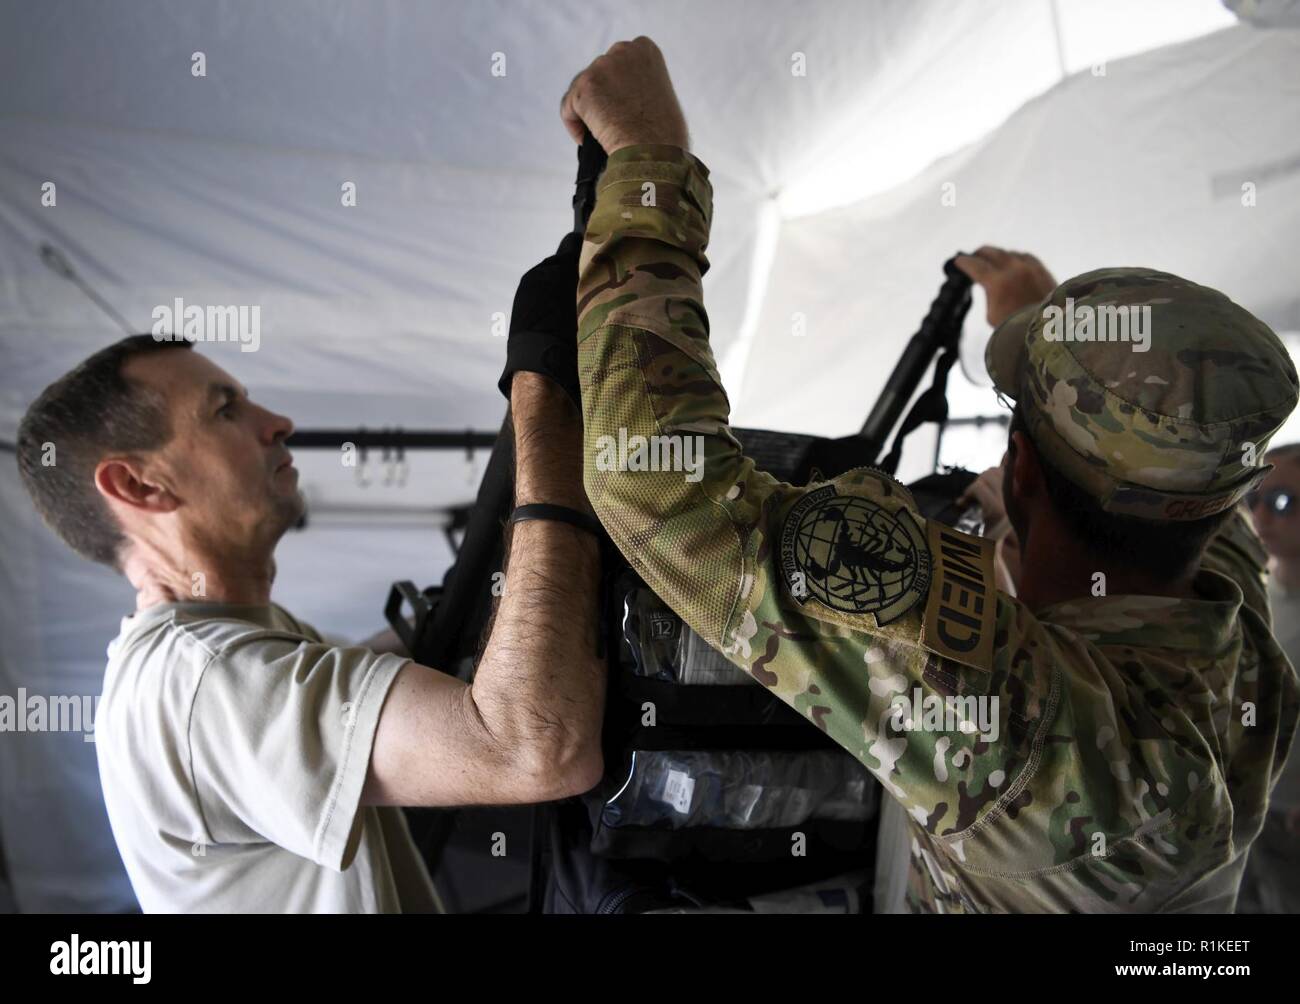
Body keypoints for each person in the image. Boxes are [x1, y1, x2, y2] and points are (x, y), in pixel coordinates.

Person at [561, 36, 1300, 912]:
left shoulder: (1026, 733)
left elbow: (659, 488)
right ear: (1216, 509)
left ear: (1017, 468)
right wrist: (1054, 335)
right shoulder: (1234, 629)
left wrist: (651, 161)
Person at [15, 247, 604, 911]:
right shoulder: (202, 681)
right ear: (138, 484)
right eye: (226, 411)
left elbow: (359, 681)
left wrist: (470, 594)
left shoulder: (218, 649)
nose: (278, 423)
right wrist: (541, 390)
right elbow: (534, 745)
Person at [1237, 443, 1300, 911]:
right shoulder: (1248, 598)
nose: (1261, 515)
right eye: (1252, 498)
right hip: (1245, 812)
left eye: (1281, 501)